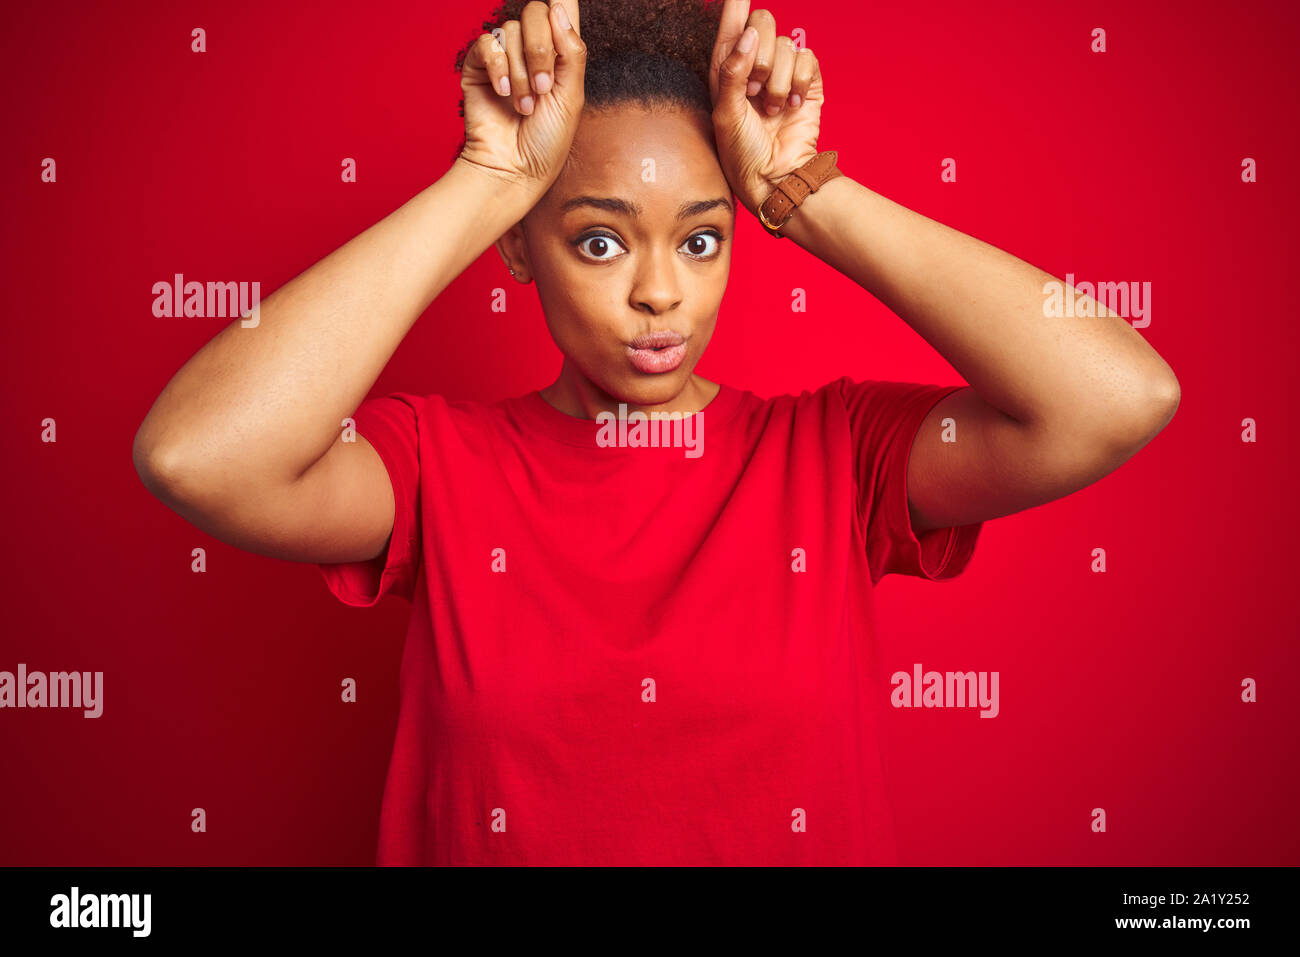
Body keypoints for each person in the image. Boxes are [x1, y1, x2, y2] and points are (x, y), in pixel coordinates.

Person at [132, 0, 1180, 865]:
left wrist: (799, 192)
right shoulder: (436, 468)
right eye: (597, 240)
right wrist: (487, 184)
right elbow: (198, 455)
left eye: (703, 237)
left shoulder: (831, 457)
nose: (658, 293)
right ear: (517, 254)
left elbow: (1115, 397)